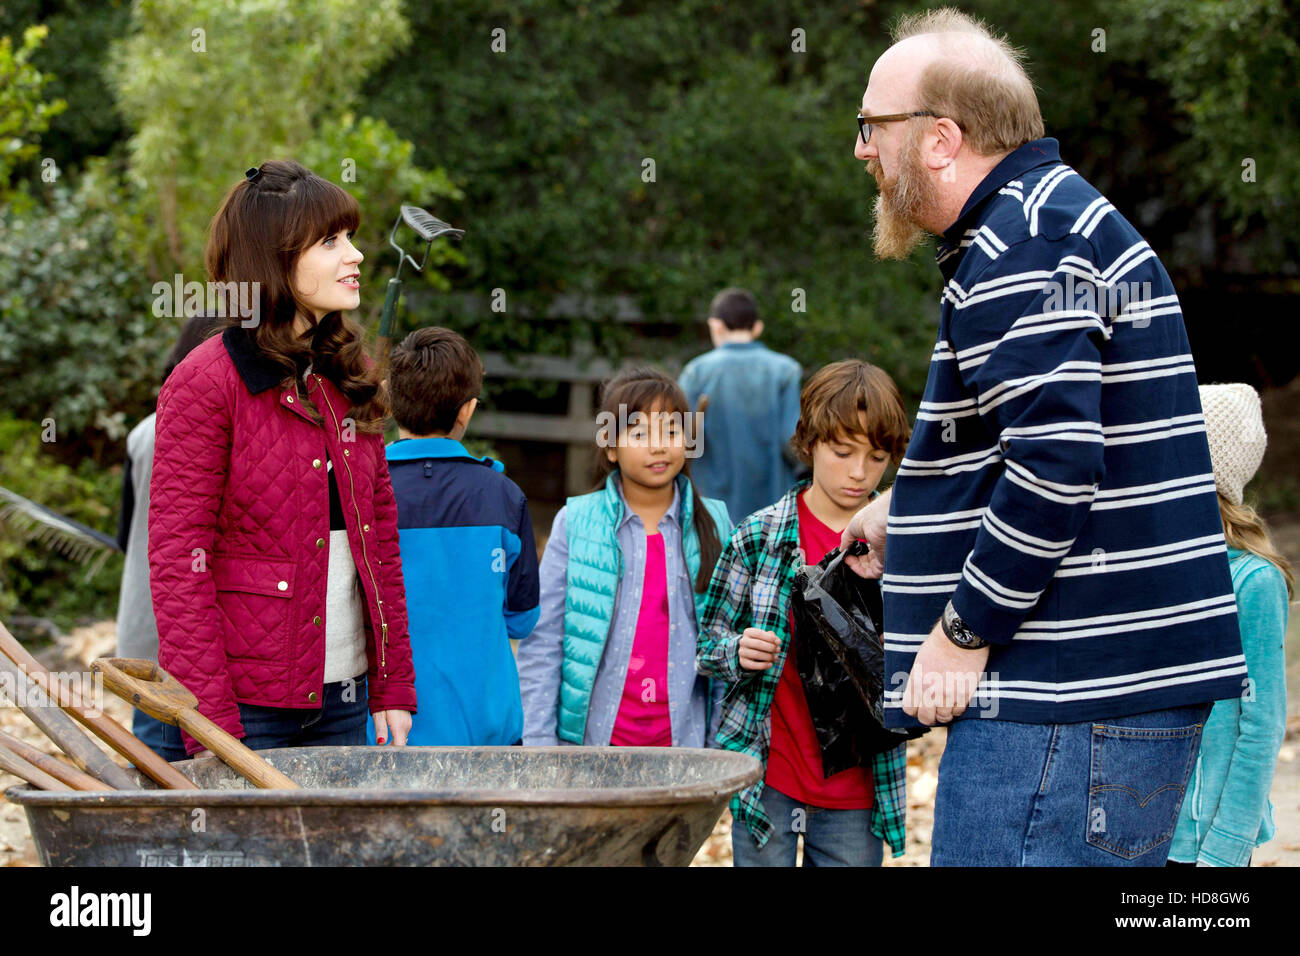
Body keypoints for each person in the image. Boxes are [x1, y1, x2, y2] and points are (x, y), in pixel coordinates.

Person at [840, 9, 1246, 866]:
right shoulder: (1043, 222)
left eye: (873, 125)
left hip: (1066, 702)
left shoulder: (1018, 245)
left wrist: (963, 631)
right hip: (1102, 697)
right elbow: (1031, 435)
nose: (862, 150)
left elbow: (1057, 466)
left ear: (941, 138)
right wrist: (904, 511)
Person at [149, 160, 416, 758]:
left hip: (345, 700)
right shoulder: (205, 383)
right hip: (245, 711)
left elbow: (382, 543)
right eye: (331, 241)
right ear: (273, 257)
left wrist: (392, 681)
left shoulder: (349, 377)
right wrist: (208, 720)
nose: (356, 257)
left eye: (349, 238)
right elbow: (177, 563)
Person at [697, 360, 912, 866]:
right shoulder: (757, 538)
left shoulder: (906, 547)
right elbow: (707, 642)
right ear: (810, 440)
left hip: (858, 793)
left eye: (877, 457)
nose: (859, 472)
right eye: (842, 452)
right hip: (768, 781)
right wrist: (737, 649)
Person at [517, 367, 731, 748]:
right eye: (640, 433)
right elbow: (544, 642)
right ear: (611, 448)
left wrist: (722, 752)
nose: (659, 445)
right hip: (593, 748)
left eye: (671, 431)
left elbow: (727, 645)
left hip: (686, 750)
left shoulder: (714, 522)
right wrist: (539, 746)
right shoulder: (577, 522)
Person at [370, 326, 540, 746]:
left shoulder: (363, 491)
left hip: (383, 736)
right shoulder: (504, 495)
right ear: (467, 410)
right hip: (486, 736)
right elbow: (523, 618)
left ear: (389, 398)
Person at [1168, 384, 1292, 867]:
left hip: (1201, 846)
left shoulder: (1253, 582)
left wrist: (1225, 848)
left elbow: (1262, 726)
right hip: (1132, 832)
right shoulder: (1152, 568)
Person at [114, 315, 226, 762]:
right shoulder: (215, 423)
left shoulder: (142, 431)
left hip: (142, 623)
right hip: (190, 632)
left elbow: (126, 538)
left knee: (153, 774)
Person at [678, 287, 802, 524]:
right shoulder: (785, 371)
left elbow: (681, 440)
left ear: (716, 325)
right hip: (773, 513)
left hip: (710, 513)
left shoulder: (696, 373)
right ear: (757, 327)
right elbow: (792, 442)